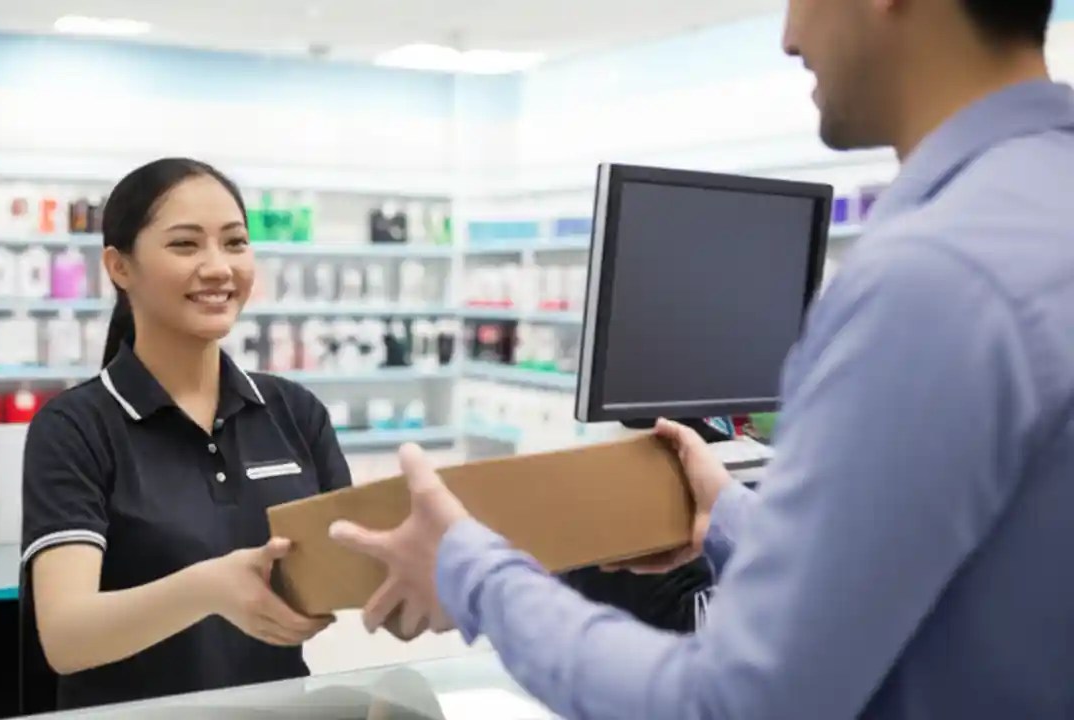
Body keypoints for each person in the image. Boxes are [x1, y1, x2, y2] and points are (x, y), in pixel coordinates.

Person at [330, 0, 1074, 717]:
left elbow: (728, 702)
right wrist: (726, 517)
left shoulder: (929, 280)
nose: (788, 36)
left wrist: (469, 569)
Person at [21, 158, 351, 709]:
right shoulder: (74, 428)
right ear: (119, 267)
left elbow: (349, 565)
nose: (218, 267)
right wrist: (209, 589)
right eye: (185, 245)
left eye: (235, 242)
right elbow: (66, 637)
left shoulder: (295, 412)